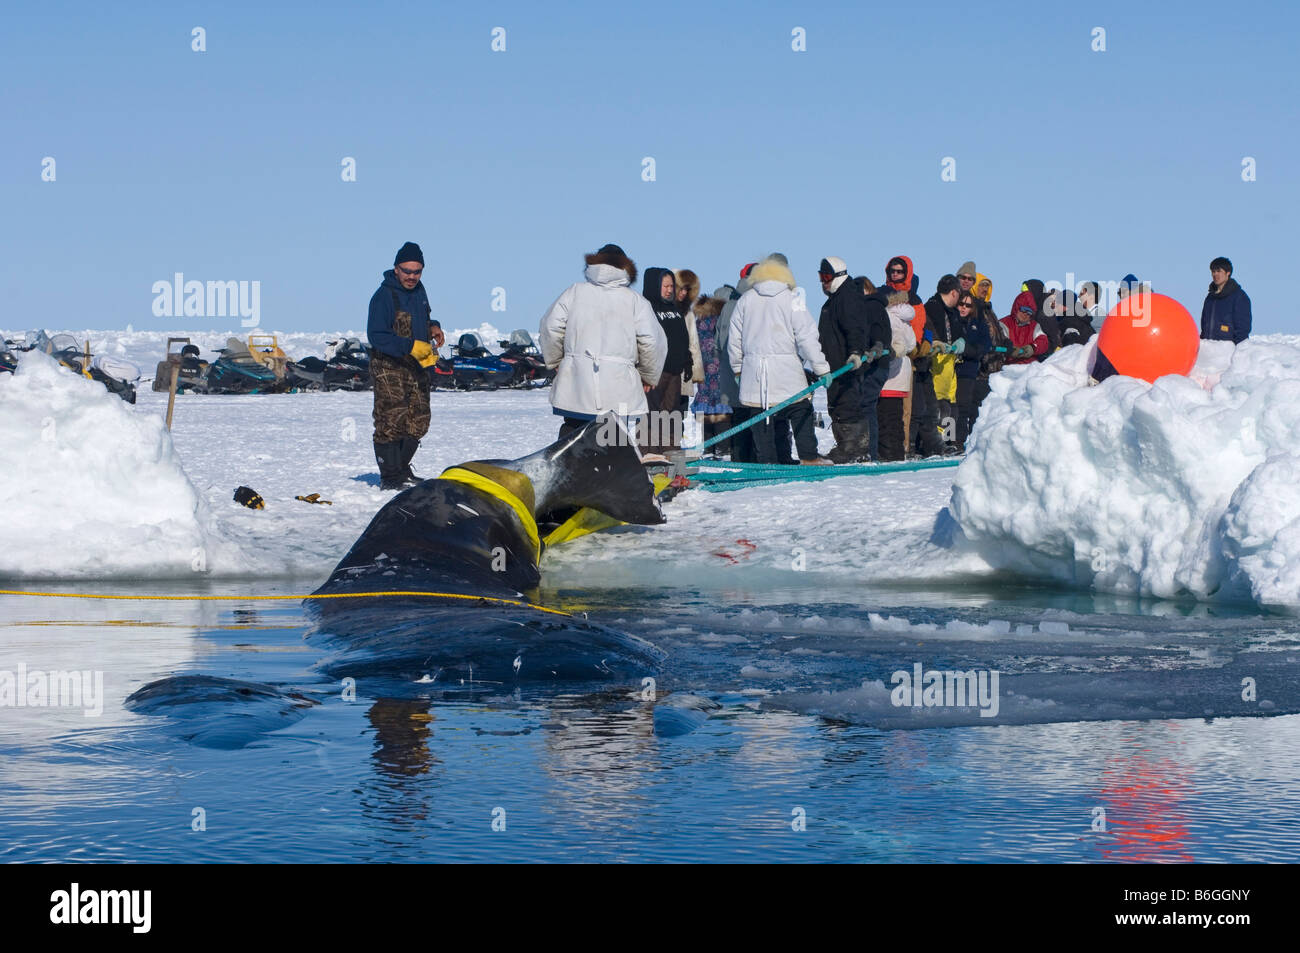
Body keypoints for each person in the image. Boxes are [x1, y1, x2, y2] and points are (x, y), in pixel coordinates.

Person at [538, 243, 666, 439]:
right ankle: (611, 468)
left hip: (577, 381)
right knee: (614, 437)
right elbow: (651, 341)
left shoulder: (574, 292)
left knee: (572, 433)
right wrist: (648, 375)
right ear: (626, 268)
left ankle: (567, 468)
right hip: (619, 383)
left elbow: (551, 327)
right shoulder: (635, 301)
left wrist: (556, 361)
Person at [727, 257, 831, 465]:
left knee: (760, 416)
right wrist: (821, 368)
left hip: (755, 373)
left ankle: (767, 461)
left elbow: (735, 339)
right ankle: (809, 456)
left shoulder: (746, 299)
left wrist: (738, 369)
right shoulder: (793, 298)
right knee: (799, 409)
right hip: (787, 371)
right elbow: (807, 336)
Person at [367, 241, 445, 490]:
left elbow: (424, 316)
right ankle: (390, 477)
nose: (412, 276)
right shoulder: (383, 296)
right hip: (389, 366)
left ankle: (401, 470)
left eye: (417, 271)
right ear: (396, 269)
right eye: (407, 271)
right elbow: (377, 335)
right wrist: (410, 346)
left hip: (417, 366)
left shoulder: (420, 291)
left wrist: (433, 327)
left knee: (419, 419)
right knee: (391, 421)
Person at [817, 255, 885, 463]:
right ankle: (847, 445)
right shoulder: (833, 300)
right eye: (821, 276)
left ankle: (855, 448)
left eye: (827, 276)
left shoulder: (848, 297)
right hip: (835, 365)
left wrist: (856, 351)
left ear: (838, 275)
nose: (823, 281)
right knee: (837, 404)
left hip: (847, 366)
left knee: (848, 404)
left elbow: (855, 327)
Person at [641, 268, 691, 455]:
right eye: (666, 286)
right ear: (656, 286)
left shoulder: (673, 309)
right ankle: (650, 457)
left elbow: (681, 337)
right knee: (652, 417)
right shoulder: (647, 309)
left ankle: (671, 454)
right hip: (654, 373)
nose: (670, 290)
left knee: (671, 417)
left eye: (672, 286)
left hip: (674, 373)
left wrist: (687, 359)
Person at [716, 264, 758, 461]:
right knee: (755, 420)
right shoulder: (754, 301)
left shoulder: (728, 304)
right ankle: (752, 460)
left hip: (729, 371)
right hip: (749, 372)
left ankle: (739, 458)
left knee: (738, 419)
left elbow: (718, 340)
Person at [691, 286, 734, 455]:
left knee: (706, 408)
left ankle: (708, 447)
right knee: (722, 410)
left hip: (703, 377)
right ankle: (723, 448)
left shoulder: (697, 323)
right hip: (723, 376)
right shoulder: (725, 322)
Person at [877, 292, 918, 461]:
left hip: (890, 374)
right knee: (897, 416)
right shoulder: (905, 319)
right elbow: (912, 343)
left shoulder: (887, 315)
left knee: (886, 417)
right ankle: (898, 451)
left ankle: (888, 453)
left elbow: (897, 340)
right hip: (903, 371)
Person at [925, 275, 963, 452]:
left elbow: (958, 333)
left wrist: (960, 342)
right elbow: (929, 331)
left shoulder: (952, 312)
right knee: (940, 402)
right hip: (937, 361)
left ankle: (949, 441)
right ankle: (937, 443)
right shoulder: (933, 306)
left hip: (951, 363)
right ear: (954, 292)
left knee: (951, 402)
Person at [951, 291, 993, 452]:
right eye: (961, 304)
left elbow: (985, 345)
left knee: (963, 408)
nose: (963, 308)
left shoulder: (977, 324)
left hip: (967, 371)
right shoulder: (952, 320)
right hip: (949, 369)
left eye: (968, 305)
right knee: (948, 406)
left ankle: (958, 441)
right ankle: (947, 440)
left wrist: (968, 350)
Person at [1201, 256, 1252, 343]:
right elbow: (1204, 325)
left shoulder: (1239, 296)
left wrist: (1236, 351)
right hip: (1209, 350)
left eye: (1218, 271)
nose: (1215, 274)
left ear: (1228, 273)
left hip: (1227, 351)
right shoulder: (1210, 298)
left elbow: (1243, 330)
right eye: (1213, 271)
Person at [1001, 291, 1049, 364]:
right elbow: (999, 341)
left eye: (1029, 312)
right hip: (1007, 368)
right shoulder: (1004, 323)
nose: (1025, 314)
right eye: (1023, 310)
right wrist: (1009, 348)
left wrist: (1032, 348)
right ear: (1017, 308)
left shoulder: (1035, 326)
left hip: (1030, 368)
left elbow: (1043, 341)